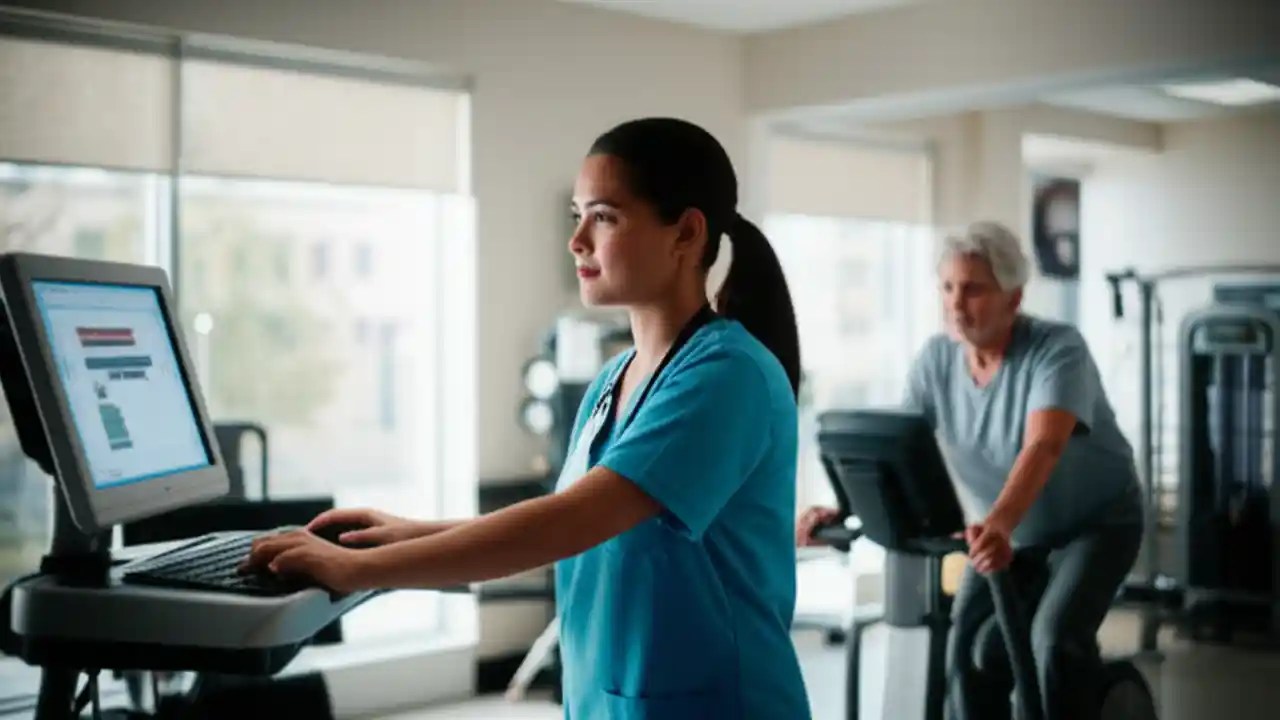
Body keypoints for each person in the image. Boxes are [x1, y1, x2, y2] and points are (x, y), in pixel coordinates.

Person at [245, 118, 812, 720]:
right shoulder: (612, 381)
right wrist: (404, 531)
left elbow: (568, 522)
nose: (578, 241)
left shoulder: (728, 375)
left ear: (687, 233)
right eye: (577, 216)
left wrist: (361, 569)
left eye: (605, 217)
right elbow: (575, 534)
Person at [797, 221, 1142, 720]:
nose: (957, 304)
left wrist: (1000, 522)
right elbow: (900, 448)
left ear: (1013, 297)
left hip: (1096, 525)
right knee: (970, 653)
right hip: (1009, 534)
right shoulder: (936, 361)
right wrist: (845, 506)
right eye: (948, 287)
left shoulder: (1056, 350)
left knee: (1053, 640)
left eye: (975, 289)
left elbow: (1044, 444)